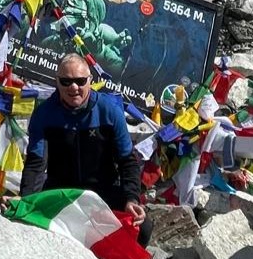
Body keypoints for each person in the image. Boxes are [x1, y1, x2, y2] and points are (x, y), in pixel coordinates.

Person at [17, 53, 152, 246]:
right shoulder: (44, 114)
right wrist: (26, 200)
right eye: (66, 81)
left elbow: (127, 161)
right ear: (57, 82)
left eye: (80, 81)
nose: (73, 87)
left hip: (102, 194)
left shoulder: (110, 111)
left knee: (143, 227)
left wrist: (132, 198)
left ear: (90, 81)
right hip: (62, 193)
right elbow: (36, 164)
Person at [40, 0, 132, 78]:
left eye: (73, 6)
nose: (65, 11)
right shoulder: (51, 41)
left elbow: (117, 72)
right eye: (66, 5)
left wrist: (97, 52)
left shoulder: (106, 54)